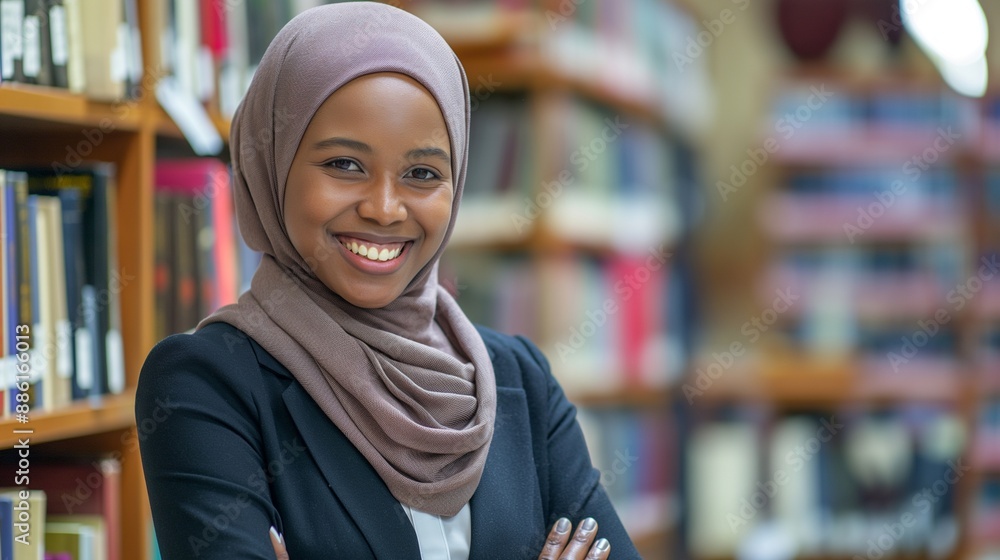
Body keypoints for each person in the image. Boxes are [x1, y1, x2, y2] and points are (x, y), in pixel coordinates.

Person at [136, 3, 642, 559]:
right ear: (272, 166)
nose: (384, 208)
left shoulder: (520, 379)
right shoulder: (205, 383)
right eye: (344, 165)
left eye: (422, 174)